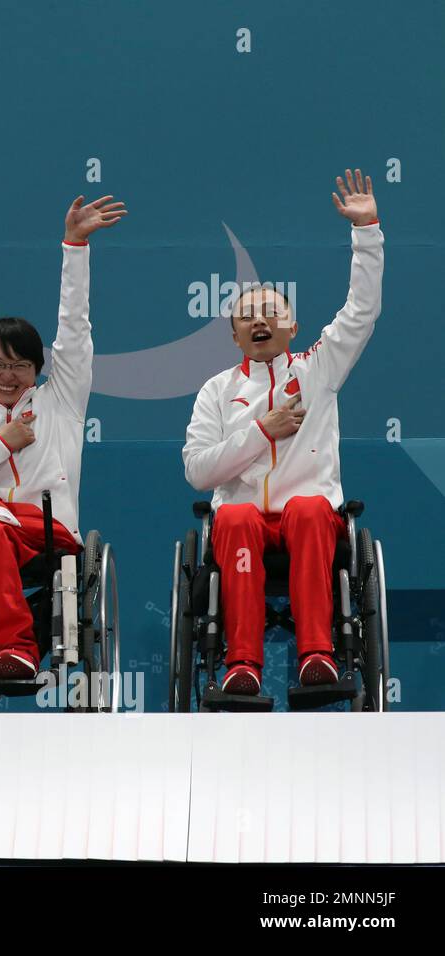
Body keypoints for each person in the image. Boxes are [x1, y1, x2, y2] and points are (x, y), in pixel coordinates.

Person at [183, 169, 382, 694]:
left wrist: (367, 233)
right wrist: (261, 432)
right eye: (247, 316)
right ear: (234, 334)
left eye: (272, 311)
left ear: (293, 326)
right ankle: (242, 664)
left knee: (312, 508)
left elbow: (361, 313)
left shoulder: (317, 370)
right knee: (237, 515)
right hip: (245, 523)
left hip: (306, 519)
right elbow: (199, 473)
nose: (260, 320)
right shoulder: (216, 392)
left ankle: (317, 655)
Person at [0, 195, 125, 679]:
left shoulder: (61, 401)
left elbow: (75, 329)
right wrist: (0, 443)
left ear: (38, 369)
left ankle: (15, 647)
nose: (7, 375)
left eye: (20, 365)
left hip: (47, 531)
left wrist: (75, 246)